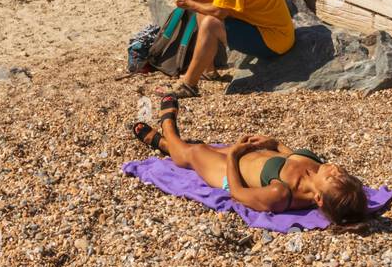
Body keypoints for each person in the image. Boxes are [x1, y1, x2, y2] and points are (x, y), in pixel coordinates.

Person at [133, 95, 368, 225]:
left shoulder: (282, 194)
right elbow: (289, 156)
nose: (336, 168)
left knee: (192, 153)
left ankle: (168, 127)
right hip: (246, 156)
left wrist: (234, 155)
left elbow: (238, 194)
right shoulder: (316, 169)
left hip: (229, 172)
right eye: (342, 173)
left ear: (318, 198)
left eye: (334, 177)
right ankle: (164, 144)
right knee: (194, 150)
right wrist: (274, 143)